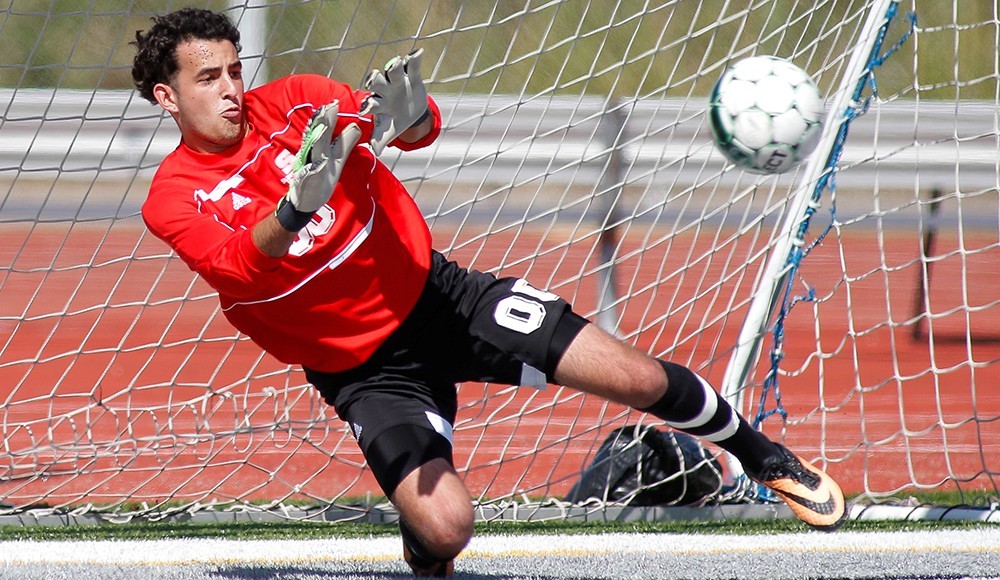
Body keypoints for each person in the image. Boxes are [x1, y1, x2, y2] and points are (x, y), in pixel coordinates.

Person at [132, 7, 847, 577]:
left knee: (633, 375)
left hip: (442, 298)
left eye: (233, 71)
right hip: (365, 370)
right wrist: (292, 208)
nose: (230, 90)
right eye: (207, 79)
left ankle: (762, 457)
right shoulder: (171, 198)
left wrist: (409, 115)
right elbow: (237, 267)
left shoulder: (295, 103)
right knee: (447, 527)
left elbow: (413, 131)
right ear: (167, 96)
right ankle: (424, 548)